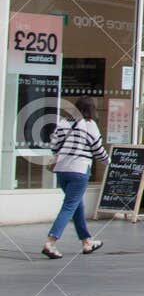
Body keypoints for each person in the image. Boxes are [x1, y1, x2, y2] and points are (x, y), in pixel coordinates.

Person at [41, 98, 110, 259]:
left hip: (61, 170)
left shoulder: (63, 123)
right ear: (91, 110)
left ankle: (87, 241)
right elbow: (97, 149)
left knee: (77, 205)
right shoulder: (90, 125)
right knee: (69, 206)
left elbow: (54, 147)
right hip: (79, 170)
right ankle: (50, 243)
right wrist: (109, 162)